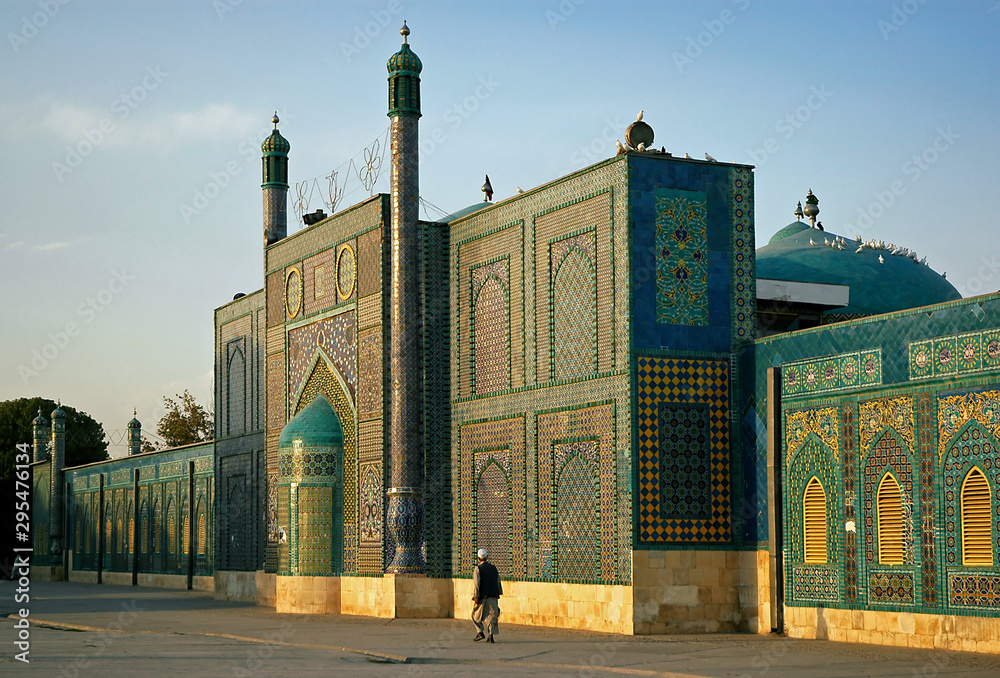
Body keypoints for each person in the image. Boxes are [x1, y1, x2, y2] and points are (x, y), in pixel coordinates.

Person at [472, 548, 502, 643]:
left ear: (478, 558)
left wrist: (476, 596)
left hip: (482, 596)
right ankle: (490, 635)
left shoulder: (478, 569)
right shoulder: (494, 568)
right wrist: (499, 592)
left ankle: (480, 632)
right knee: (492, 615)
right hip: (493, 595)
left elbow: (477, 583)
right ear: (487, 557)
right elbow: (498, 581)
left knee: (475, 615)